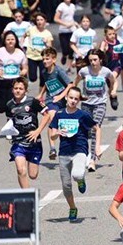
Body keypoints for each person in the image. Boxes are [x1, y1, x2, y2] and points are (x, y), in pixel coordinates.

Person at [50, 86, 95, 221]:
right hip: (64, 152)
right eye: (71, 98)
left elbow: (96, 127)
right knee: (66, 185)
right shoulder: (59, 114)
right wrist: (56, 133)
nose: (73, 101)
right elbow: (52, 136)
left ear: (79, 100)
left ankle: (81, 180)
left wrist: (96, 147)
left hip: (79, 149)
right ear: (66, 98)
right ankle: (73, 207)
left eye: (76, 99)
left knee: (77, 174)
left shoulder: (82, 115)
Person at [75, 49, 117, 171]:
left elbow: (113, 81)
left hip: (100, 103)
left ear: (100, 60)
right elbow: (75, 83)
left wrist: (112, 91)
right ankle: (83, 155)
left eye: (95, 60)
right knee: (85, 131)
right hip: (86, 104)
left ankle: (92, 159)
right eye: (90, 60)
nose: (93, 63)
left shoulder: (105, 71)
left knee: (95, 128)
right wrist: (76, 95)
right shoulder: (84, 71)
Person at [4, 79, 49, 188]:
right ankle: (27, 196)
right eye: (15, 88)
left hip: (34, 142)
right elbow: (9, 120)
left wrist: (38, 131)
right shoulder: (9, 105)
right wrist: (9, 132)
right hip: (18, 142)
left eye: (20, 89)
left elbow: (47, 115)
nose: (18, 91)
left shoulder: (32, 102)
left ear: (25, 91)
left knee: (33, 175)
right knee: (20, 170)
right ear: (12, 90)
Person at [0, 32, 28, 114]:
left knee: (11, 107)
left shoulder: (20, 53)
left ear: (16, 41)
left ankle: (12, 122)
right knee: (1, 108)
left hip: (14, 81)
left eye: (12, 39)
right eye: (8, 39)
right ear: (5, 41)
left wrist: (23, 72)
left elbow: (25, 67)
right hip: (1, 81)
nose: (10, 41)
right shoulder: (0, 52)